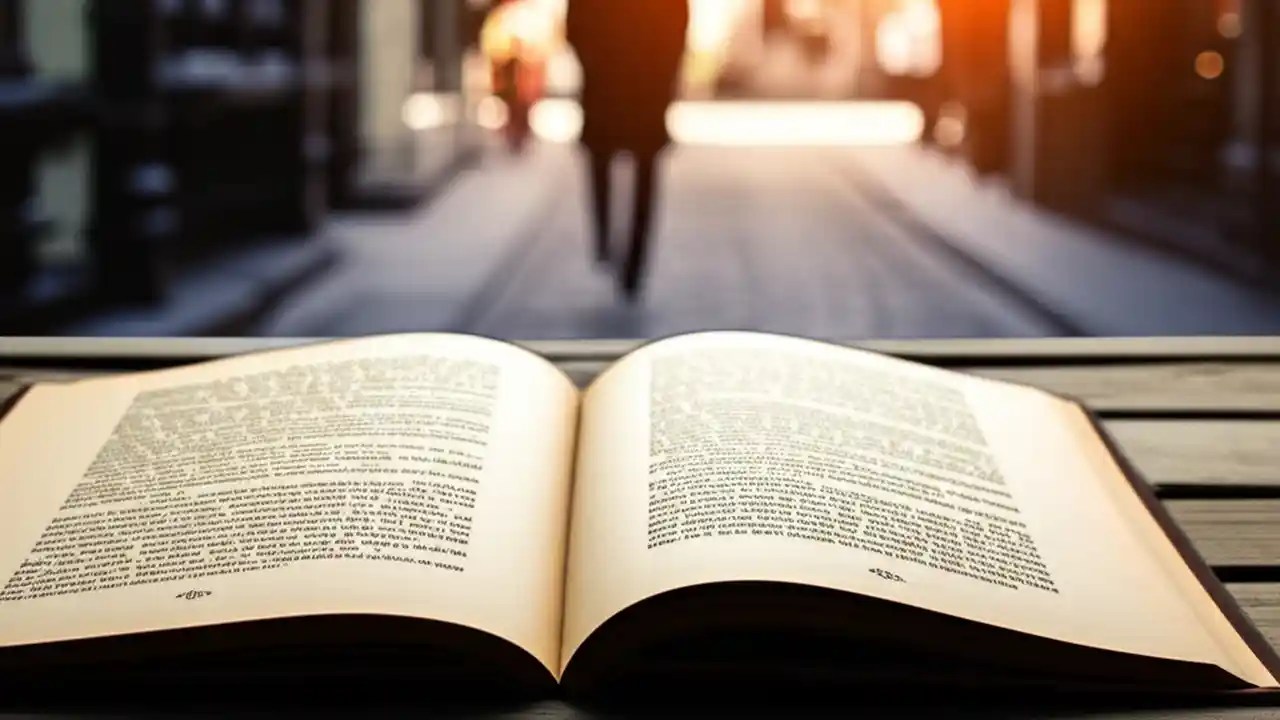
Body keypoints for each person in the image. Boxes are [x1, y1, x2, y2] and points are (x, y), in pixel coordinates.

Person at [566, 0, 690, 300]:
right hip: (640, 86)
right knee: (638, 169)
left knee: (610, 162)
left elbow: (575, 26)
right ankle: (622, 253)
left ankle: (612, 247)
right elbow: (677, 28)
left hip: (615, 84)